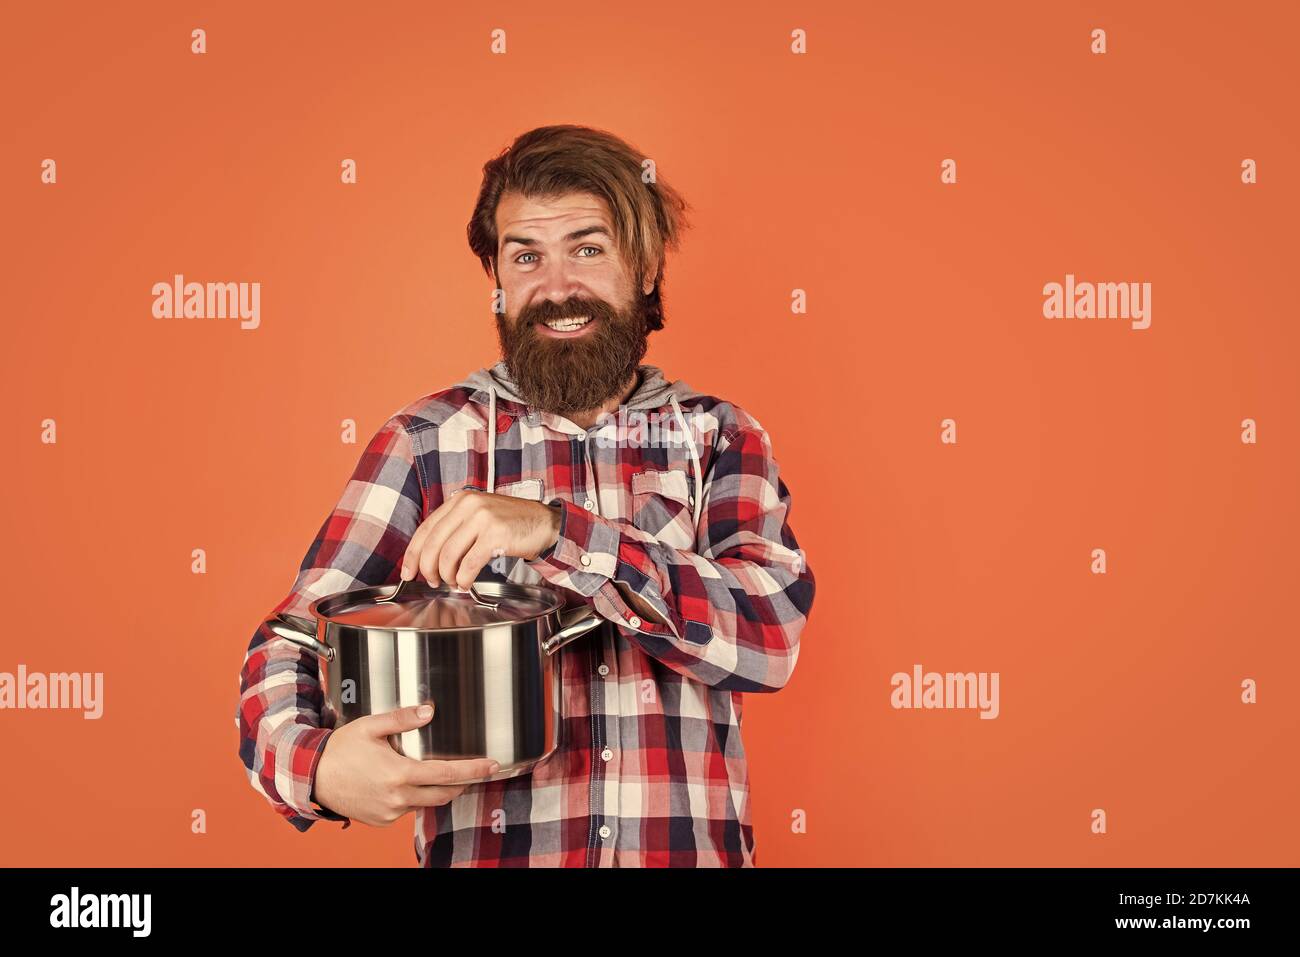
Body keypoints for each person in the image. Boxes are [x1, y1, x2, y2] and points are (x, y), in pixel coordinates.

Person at [236, 124, 816, 866]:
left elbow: (769, 640)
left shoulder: (719, 438)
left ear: (642, 269)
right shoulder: (425, 442)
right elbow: (289, 641)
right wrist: (315, 767)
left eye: (587, 247)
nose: (557, 287)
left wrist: (553, 530)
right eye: (526, 256)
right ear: (499, 280)